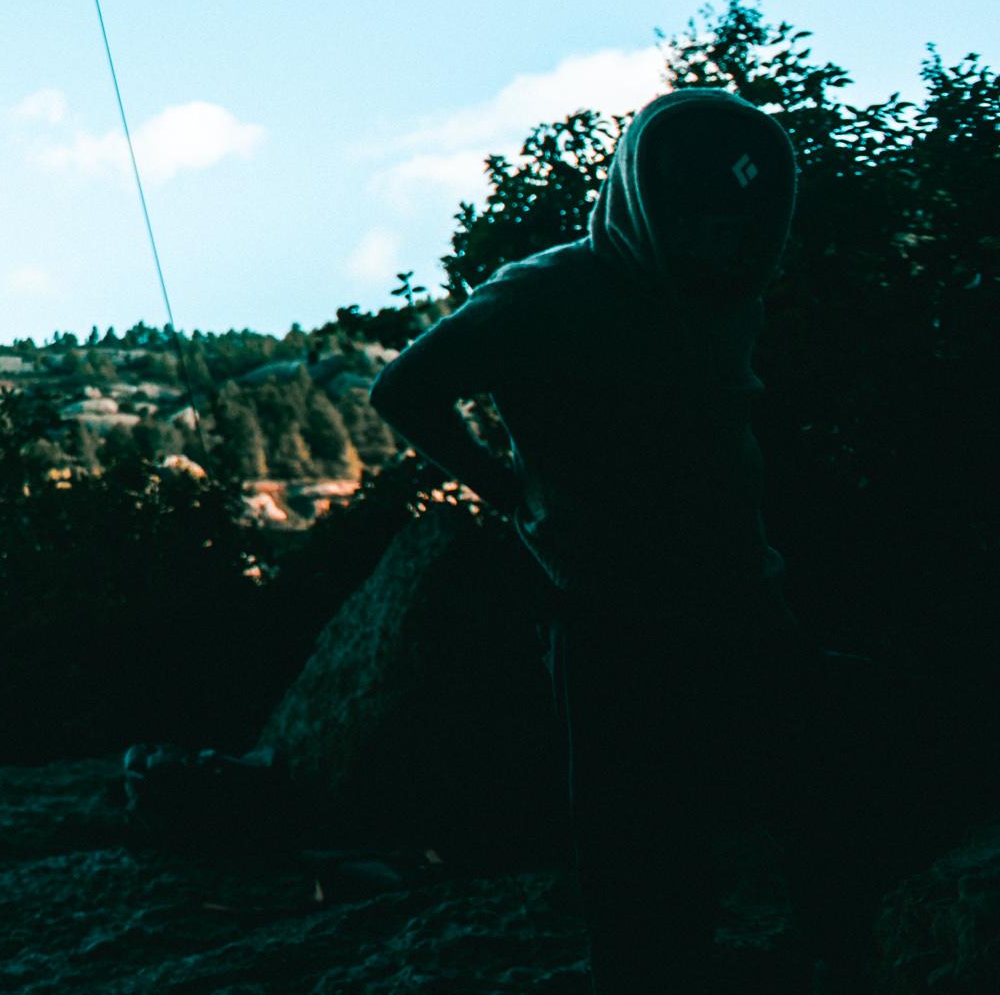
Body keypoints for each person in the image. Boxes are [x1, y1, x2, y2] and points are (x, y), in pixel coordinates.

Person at [369, 88, 878, 992]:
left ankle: (836, 956)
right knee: (641, 844)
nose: (717, 239)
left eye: (735, 221)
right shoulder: (542, 293)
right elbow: (404, 390)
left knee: (820, 791)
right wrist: (510, 492)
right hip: (611, 610)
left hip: (740, 589)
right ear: (648, 201)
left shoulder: (728, 291)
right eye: (695, 218)